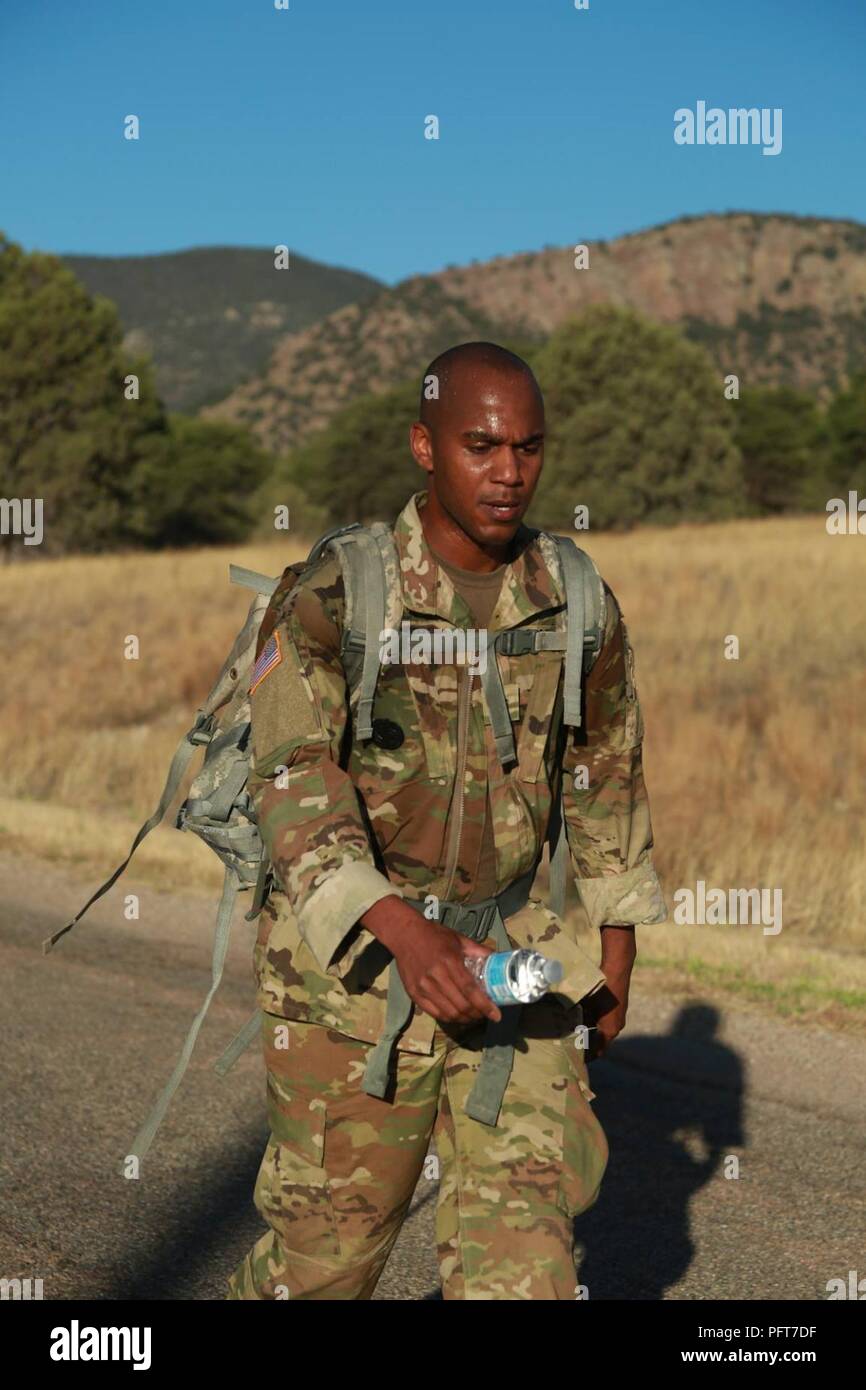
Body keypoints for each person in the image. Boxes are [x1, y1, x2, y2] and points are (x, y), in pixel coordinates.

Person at [226, 341, 667, 1301]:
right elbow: (293, 780)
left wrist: (619, 940)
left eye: (529, 448)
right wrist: (402, 930)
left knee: (528, 1269)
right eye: (481, 445)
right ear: (424, 447)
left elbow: (606, 770)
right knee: (326, 1264)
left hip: (514, 956)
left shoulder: (575, 597)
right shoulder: (339, 592)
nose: (509, 473)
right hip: (352, 969)